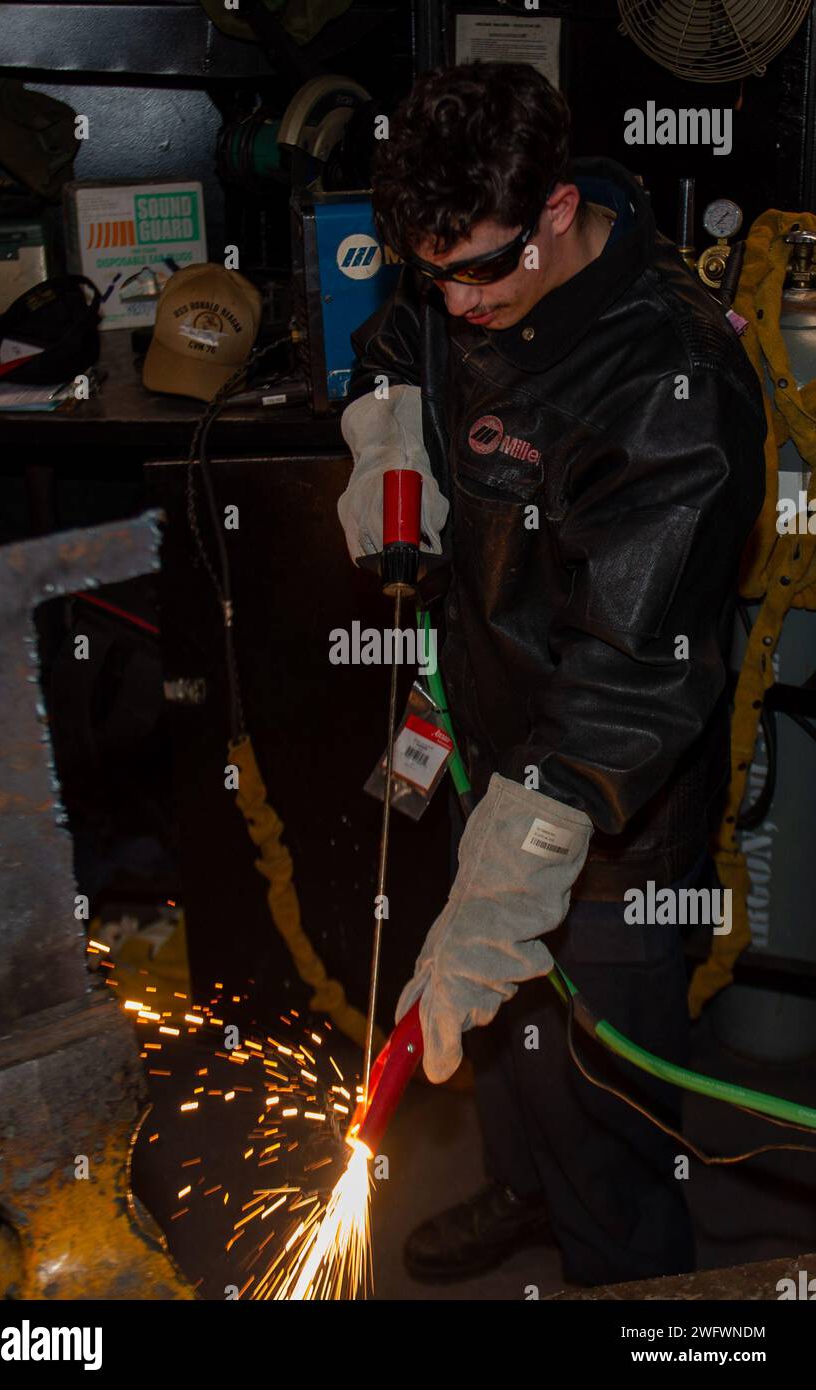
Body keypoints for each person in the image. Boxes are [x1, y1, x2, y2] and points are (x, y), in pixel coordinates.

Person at [337, 61, 766, 1288]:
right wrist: (383, 432)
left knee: (598, 1093)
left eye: (481, 268)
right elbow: (398, 340)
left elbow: (628, 682)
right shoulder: (458, 276)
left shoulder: (671, 390)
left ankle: (631, 1285)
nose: (458, 298)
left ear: (561, 208)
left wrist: (515, 864)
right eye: (434, 269)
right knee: (506, 1048)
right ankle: (522, 1192)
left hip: (606, 790)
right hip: (488, 728)